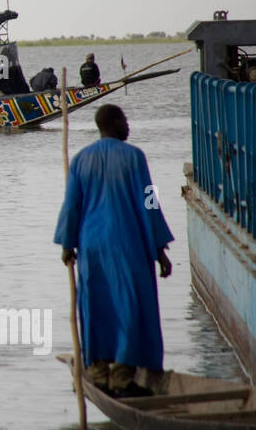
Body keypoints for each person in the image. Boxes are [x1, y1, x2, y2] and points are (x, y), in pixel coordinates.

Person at [54, 104, 174, 398]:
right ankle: (122, 376)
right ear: (116, 122)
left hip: (92, 248)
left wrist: (68, 244)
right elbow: (149, 202)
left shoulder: (81, 160)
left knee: (97, 306)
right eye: (126, 119)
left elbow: (71, 206)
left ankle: (97, 372)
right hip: (128, 245)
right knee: (130, 306)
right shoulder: (134, 157)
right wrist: (159, 248)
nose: (128, 125)